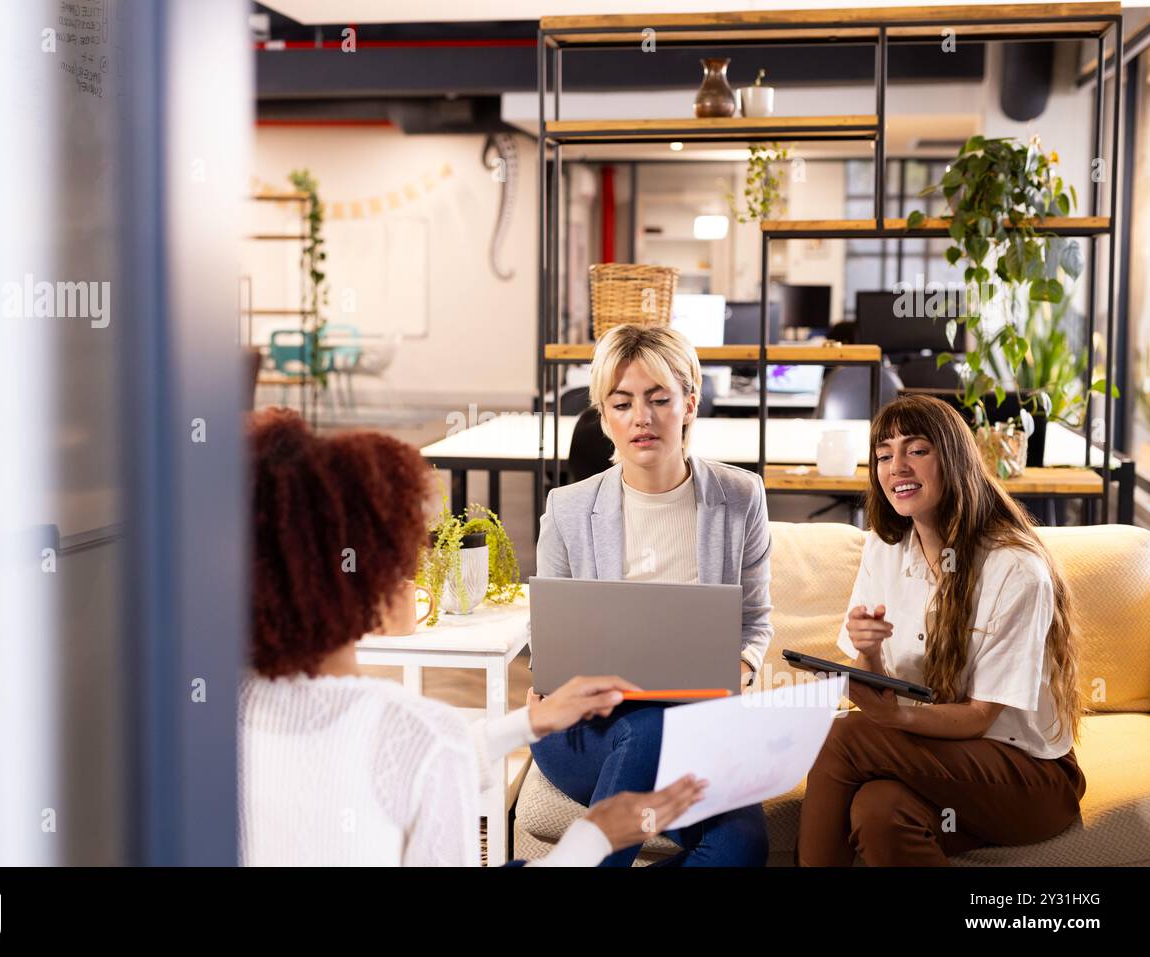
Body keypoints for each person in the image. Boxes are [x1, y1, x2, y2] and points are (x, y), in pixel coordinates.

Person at [239, 408, 706, 866]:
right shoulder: (410, 729)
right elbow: (416, 755)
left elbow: (406, 761)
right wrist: (594, 839)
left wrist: (531, 723)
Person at [797, 394, 1086, 866]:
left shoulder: (1014, 568)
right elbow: (872, 682)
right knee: (879, 811)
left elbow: (978, 718)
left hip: (1028, 778)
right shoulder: (885, 548)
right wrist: (868, 654)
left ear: (952, 458)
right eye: (885, 455)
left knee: (841, 736)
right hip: (934, 761)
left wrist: (895, 719)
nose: (897, 467)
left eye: (917, 449)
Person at [532, 323, 773, 866]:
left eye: (659, 399)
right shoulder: (568, 509)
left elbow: (755, 621)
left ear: (689, 403)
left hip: (698, 725)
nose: (641, 418)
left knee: (742, 847)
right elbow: (548, 634)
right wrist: (550, 679)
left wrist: (738, 667)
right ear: (605, 416)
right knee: (647, 726)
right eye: (622, 403)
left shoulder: (740, 498)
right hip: (587, 731)